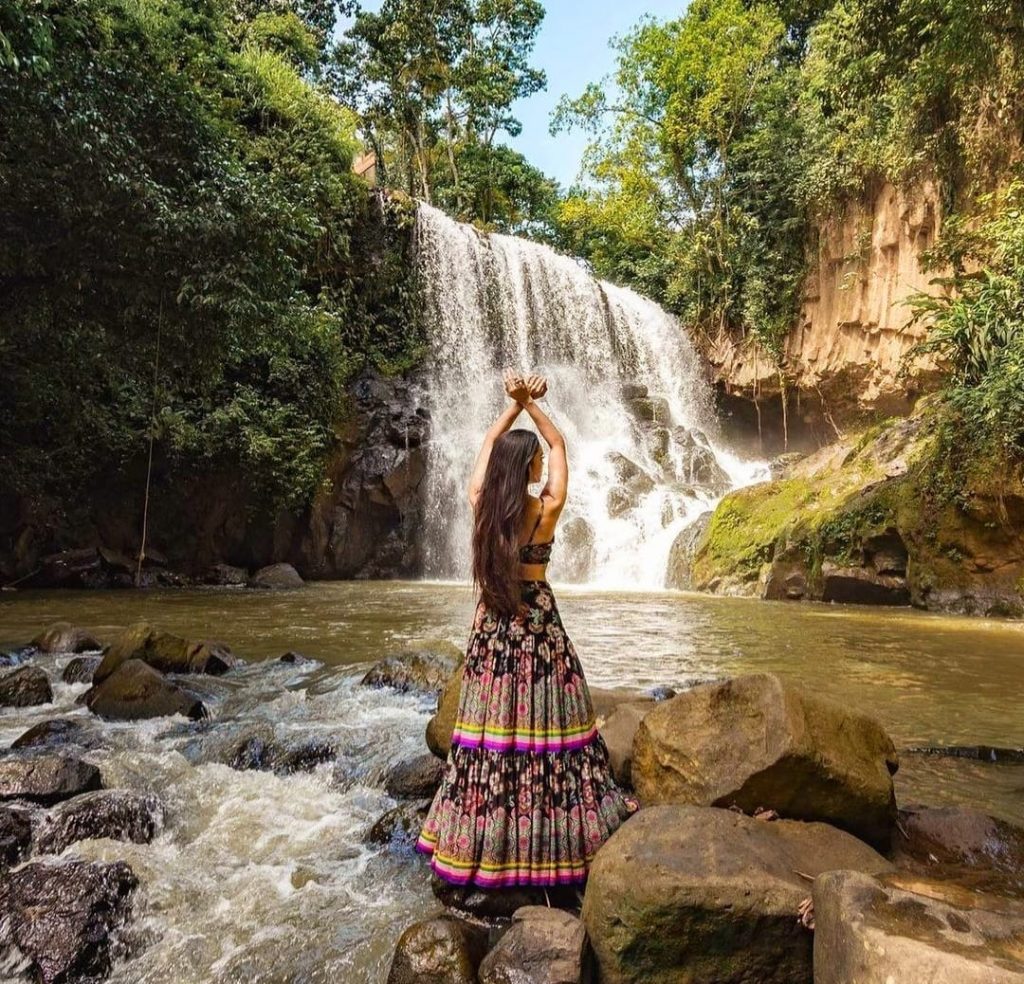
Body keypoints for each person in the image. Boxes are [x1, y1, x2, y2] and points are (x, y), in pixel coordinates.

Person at [415, 369, 639, 891]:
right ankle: (550, 845)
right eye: (535, 459)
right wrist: (532, 405)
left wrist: (511, 408)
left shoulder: (482, 506)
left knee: (493, 733)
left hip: (494, 623)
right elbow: (559, 442)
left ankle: (484, 843)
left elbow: (491, 443)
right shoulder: (546, 510)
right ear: (531, 466)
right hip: (538, 624)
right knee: (550, 731)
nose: (541, 461)